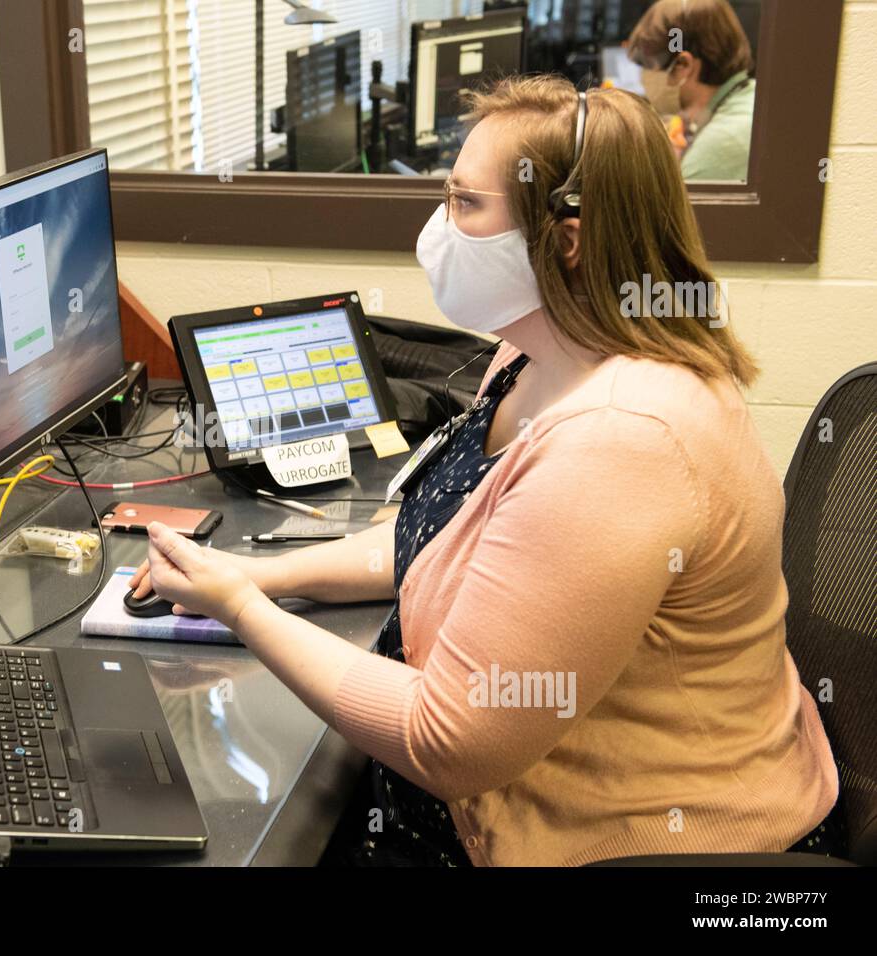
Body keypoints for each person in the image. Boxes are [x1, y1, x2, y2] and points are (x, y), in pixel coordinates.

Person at [128, 73, 841, 867]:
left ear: (566, 237)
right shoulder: (540, 353)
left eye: (466, 205)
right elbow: (440, 534)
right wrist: (264, 573)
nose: (438, 229)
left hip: (629, 841)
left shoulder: (620, 441)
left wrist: (240, 611)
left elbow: (449, 741)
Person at [628, 0, 757, 181]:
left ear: (683, 65)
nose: (643, 79)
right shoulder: (752, 98)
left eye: (648, 66)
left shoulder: (717, 147)